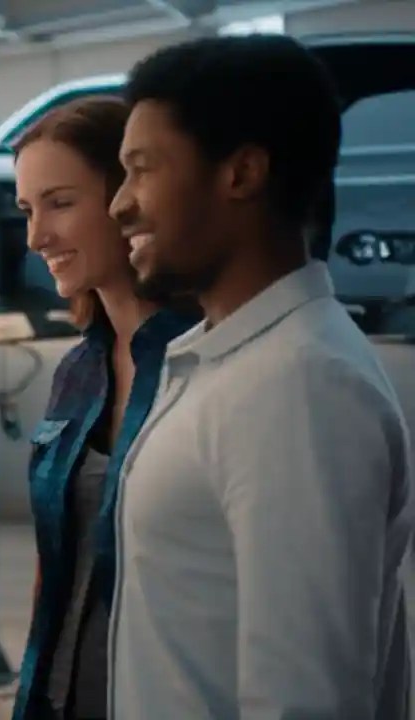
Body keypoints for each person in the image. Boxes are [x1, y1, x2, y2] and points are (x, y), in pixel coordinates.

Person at [107, 34, 413, 719]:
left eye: (142, 168)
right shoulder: (226, 362)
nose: (119, 204)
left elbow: (305, 699)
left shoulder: (301, 387)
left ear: (241, 173)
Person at [9, 97, 197, 720]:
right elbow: (55, 558)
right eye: (28, 211)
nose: (37, 237)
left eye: (61, 203)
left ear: (130, 196)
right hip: (63, 695)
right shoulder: (75, 374)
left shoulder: (208, 367)